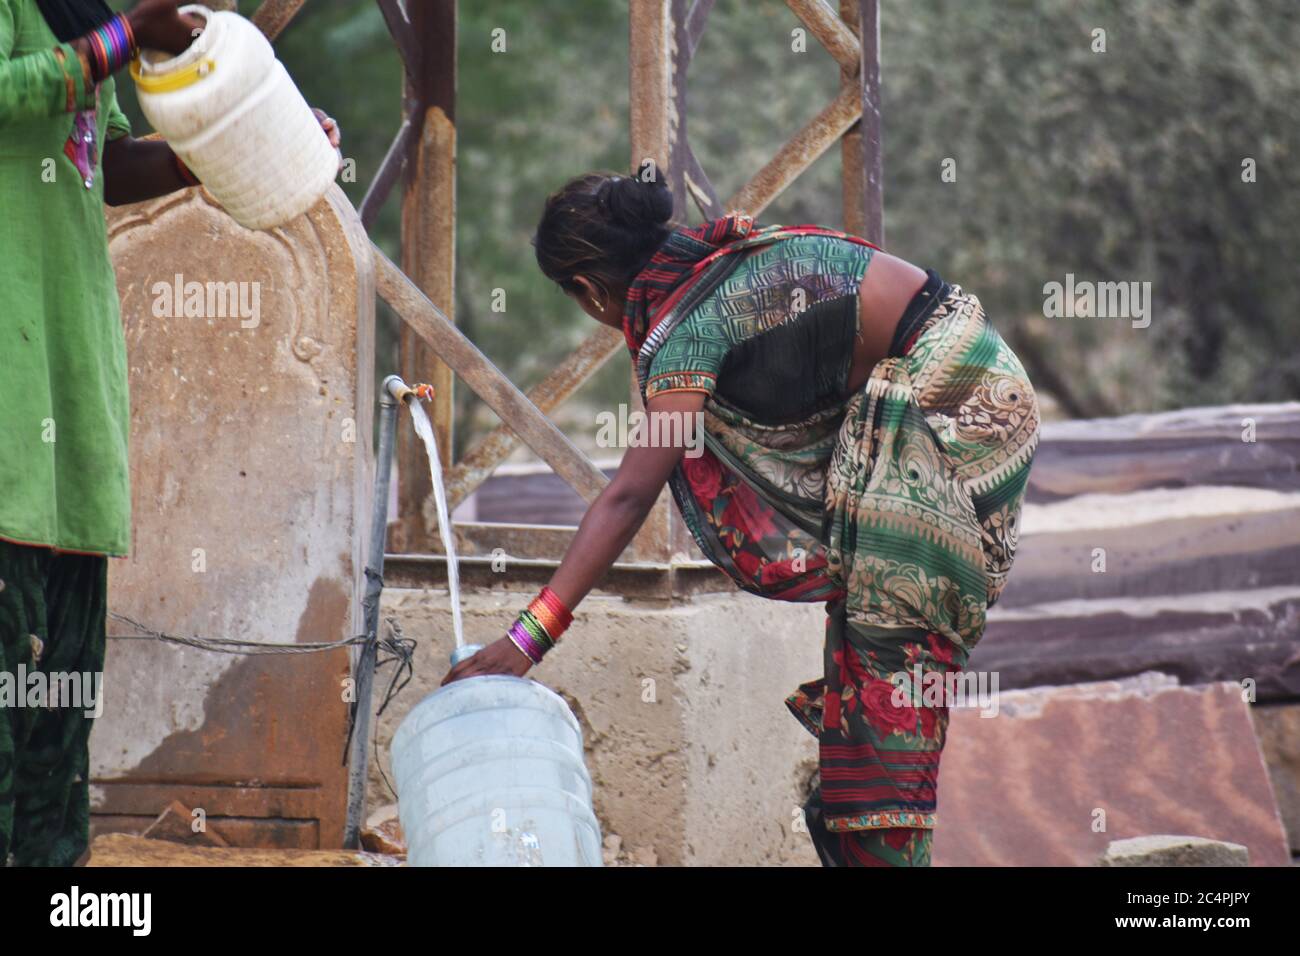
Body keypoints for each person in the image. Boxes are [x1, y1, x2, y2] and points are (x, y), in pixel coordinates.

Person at [442, 171, 1040, 867]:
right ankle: (860, 829)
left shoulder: (687, 333)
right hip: (977, 377)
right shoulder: (715, 265)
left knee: (889, 664)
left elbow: (629, 495)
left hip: (950, 410)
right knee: (870, 656)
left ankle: (882, 843)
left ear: (588, 288)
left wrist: (530, 636)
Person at [0, 0, 340, 866]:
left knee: (56, 716)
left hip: (69, 406)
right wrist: (125, 37)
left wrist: (236, 142)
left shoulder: (70, 10)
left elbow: (104, 160)